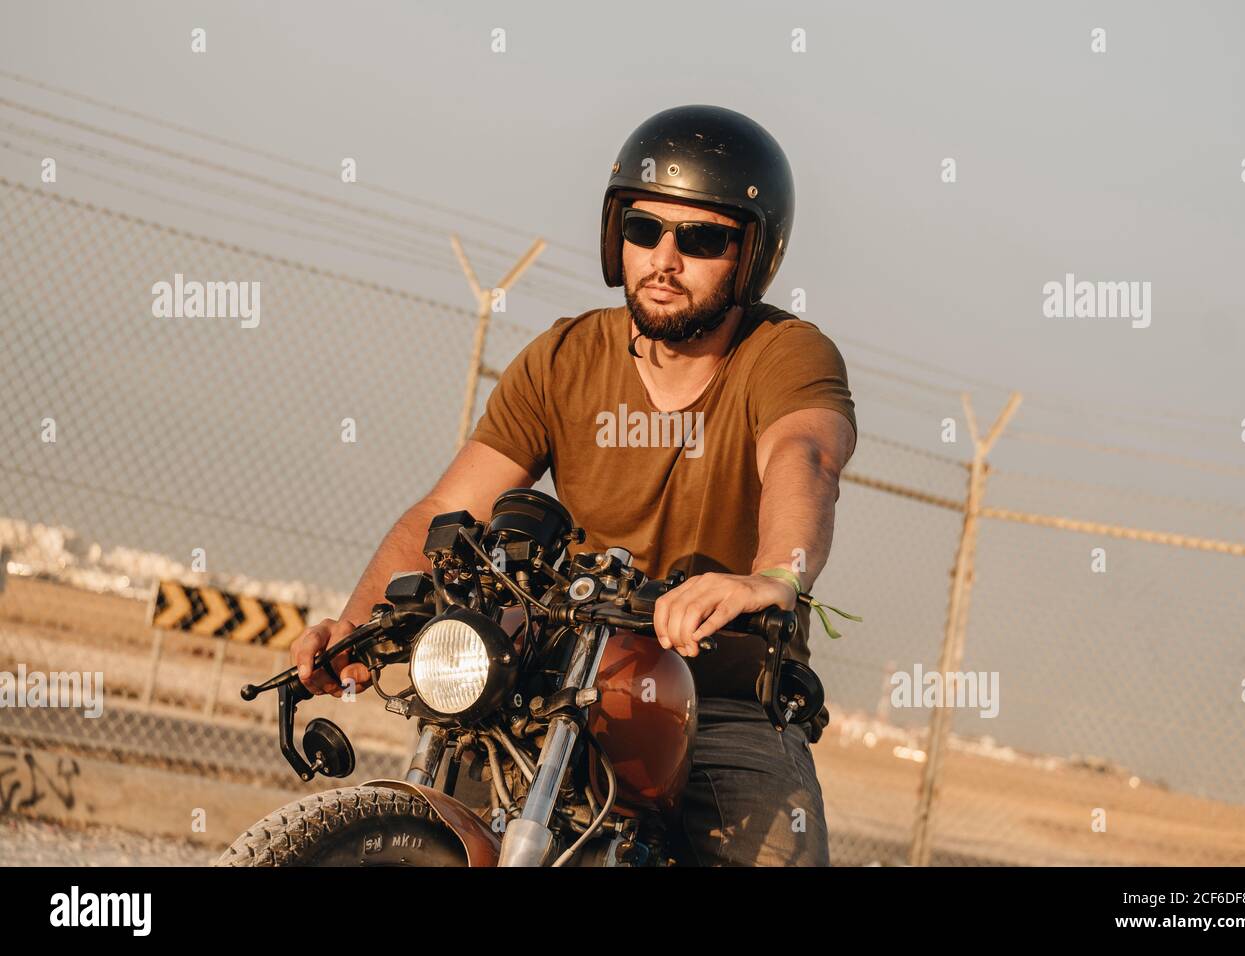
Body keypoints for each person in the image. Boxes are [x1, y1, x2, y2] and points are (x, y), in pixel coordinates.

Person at [292, 104, 858, 866]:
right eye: (642, 228)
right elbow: (445, 508)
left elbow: (805, 457)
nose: (664, 257)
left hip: (721, 698)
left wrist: (773, 576)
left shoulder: (786, 355)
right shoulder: (564, 357)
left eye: (701, 239)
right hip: (555, 678)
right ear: (612, 234)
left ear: (751, 255)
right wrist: (353, 625)